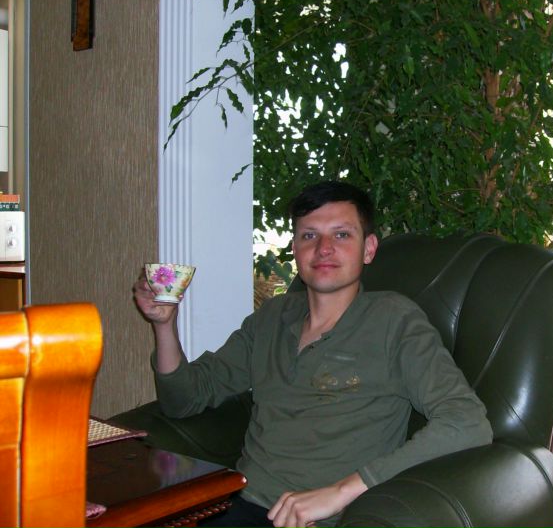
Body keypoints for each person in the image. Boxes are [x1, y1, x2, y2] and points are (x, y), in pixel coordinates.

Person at [133, 181, 493, 528]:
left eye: (342, 234)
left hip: (326, 519)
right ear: (295, 249)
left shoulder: (394, 320)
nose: (323, 248)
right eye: (309, 236)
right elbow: (184, 400)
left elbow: (466, 422)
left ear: (368, 248)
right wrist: (165, 325)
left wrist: (341, 493)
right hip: (237, 504)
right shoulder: (271, 318)